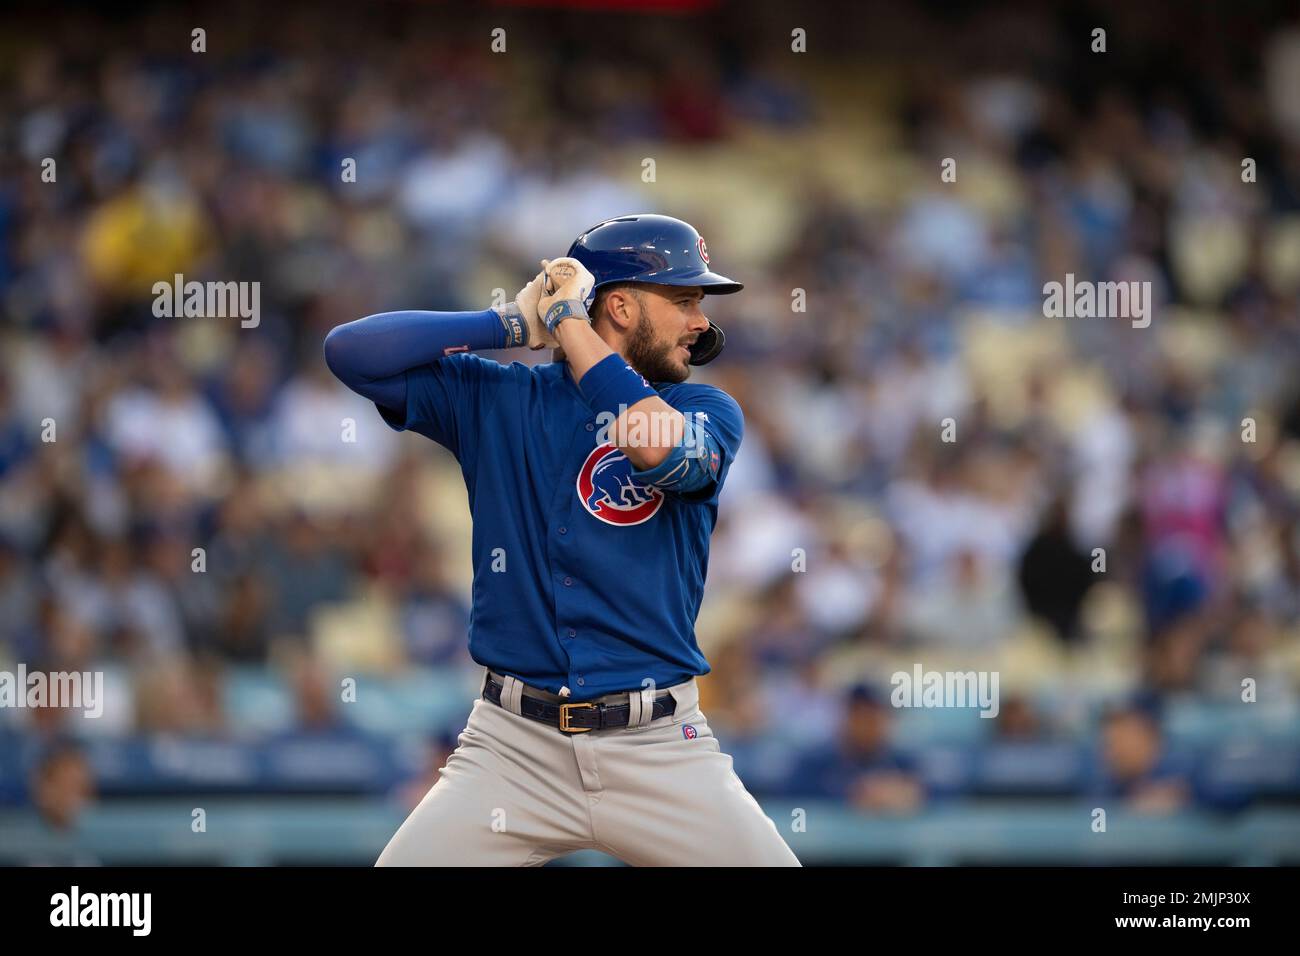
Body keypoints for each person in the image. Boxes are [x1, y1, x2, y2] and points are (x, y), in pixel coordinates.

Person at [324, 214, 799, 865]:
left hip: (659, 746)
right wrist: (508, 325)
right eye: (685, 300)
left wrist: (571, 324)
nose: (700, 322)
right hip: (512, 749)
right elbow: (349, 352)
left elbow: (657, 448)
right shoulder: (500, 396)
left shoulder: (705, 410)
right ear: (622, 307)